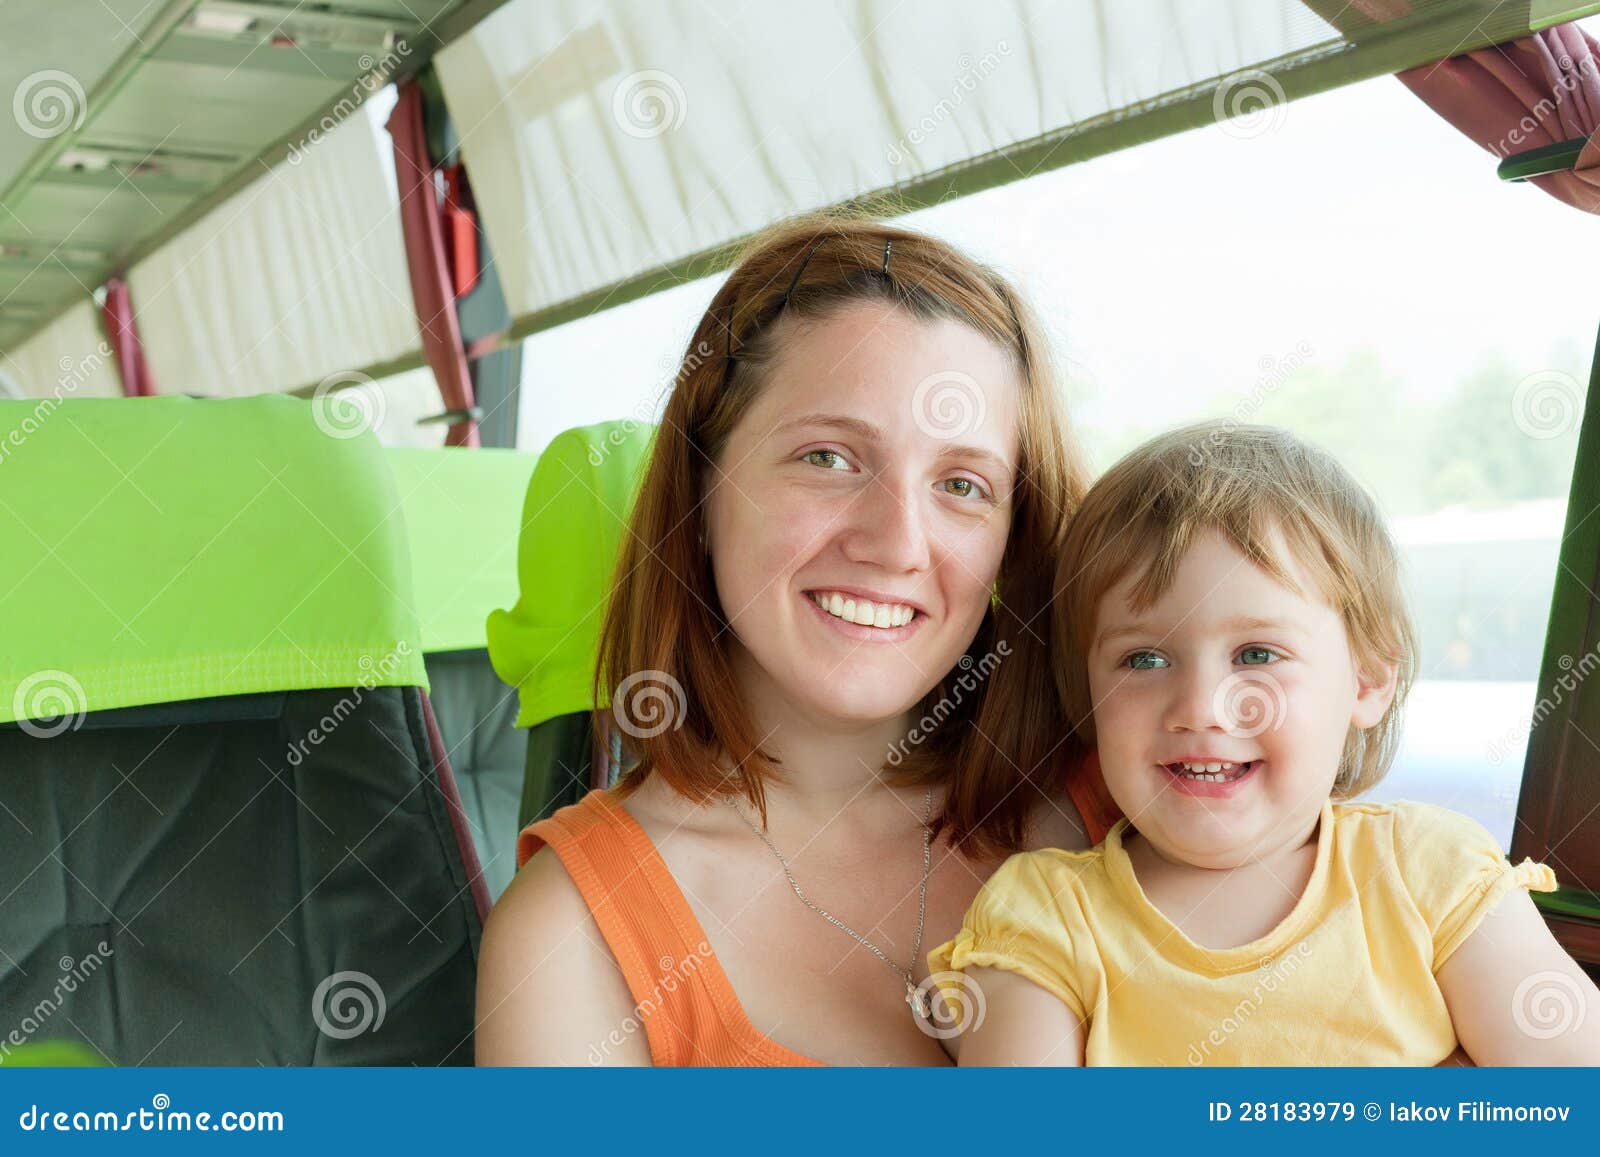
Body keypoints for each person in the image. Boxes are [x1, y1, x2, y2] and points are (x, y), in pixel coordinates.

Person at [476, 212, 1113, 1065]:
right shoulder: (573, 936)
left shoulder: (1135, 803)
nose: (896, 542)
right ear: (701, 493)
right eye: (829, 458)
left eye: (962, 483)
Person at [930, 421, 1600, 1065]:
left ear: (1367, 677)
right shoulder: (1043, 918)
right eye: (1144, 659)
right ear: (1089, 689)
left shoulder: (1433, 874)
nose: (1201, 707)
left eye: (1256, 652)